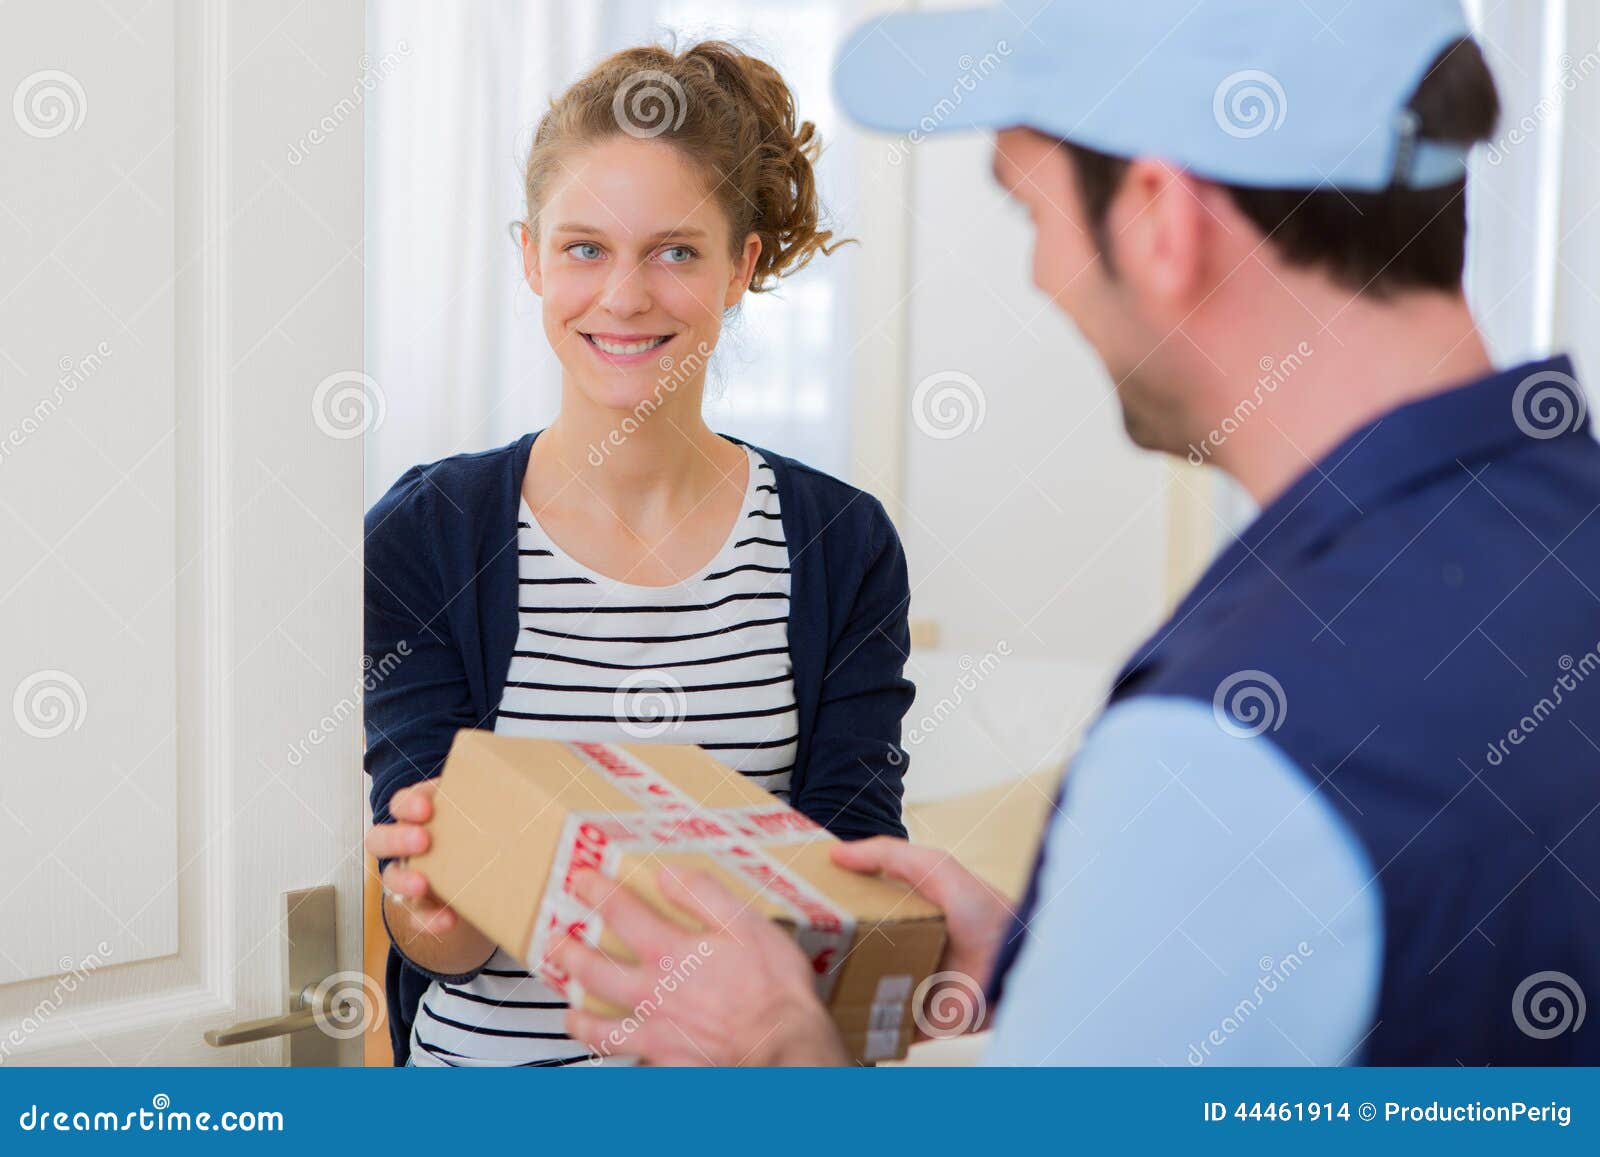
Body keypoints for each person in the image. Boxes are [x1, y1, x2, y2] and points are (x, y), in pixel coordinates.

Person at [549, 0, 1600, 1066]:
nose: (1044, 274)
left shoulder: (1224, 748)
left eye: (1029, 209)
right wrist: (1082, 964)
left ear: (1158, 216)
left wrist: (778, 1050)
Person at [362, 41, 916, 1067]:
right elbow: (434, 934)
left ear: (740, 266)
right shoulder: (425, 535)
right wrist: (428, 894)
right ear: (528, 255)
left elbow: (849, 873)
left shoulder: (839, 544)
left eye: (674, 250)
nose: (623, 296)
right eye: (583, 248)